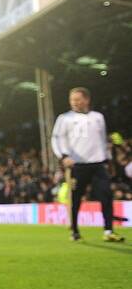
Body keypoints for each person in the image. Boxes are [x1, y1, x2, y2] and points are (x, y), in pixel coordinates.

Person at [51, 86, 123, 242]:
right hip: (77, 165)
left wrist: (108, 158)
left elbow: (102, 140)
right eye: (72, 100)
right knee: (76, 198)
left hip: (98, 164)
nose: (74, 103)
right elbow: (56, 139)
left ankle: (108, 230)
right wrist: (63, 156)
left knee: (106, 195)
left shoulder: (98, 117)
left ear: (87, 100)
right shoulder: (65, 118)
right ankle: (75, 230)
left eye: (77, 99)